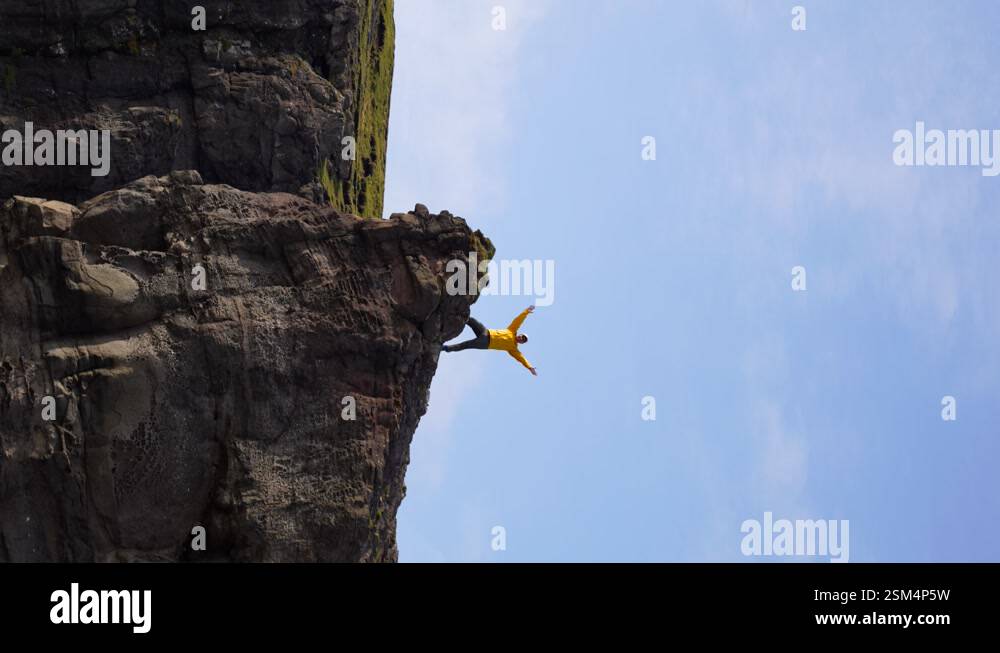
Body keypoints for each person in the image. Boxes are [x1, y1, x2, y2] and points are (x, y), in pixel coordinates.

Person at [442, 306, 538, 376]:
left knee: (465, 345)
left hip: (486, 343)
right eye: (522, 337)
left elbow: (521, 358)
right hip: (486, 332)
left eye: (523, 340)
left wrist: (529, 367)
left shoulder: (513, 348)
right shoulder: (512, 331)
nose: (521, 339)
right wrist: (526, 312)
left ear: (521, 343)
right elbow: (518, 320)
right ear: (520, 334)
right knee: (472, 321)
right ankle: (453, 314)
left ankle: (445, 348)